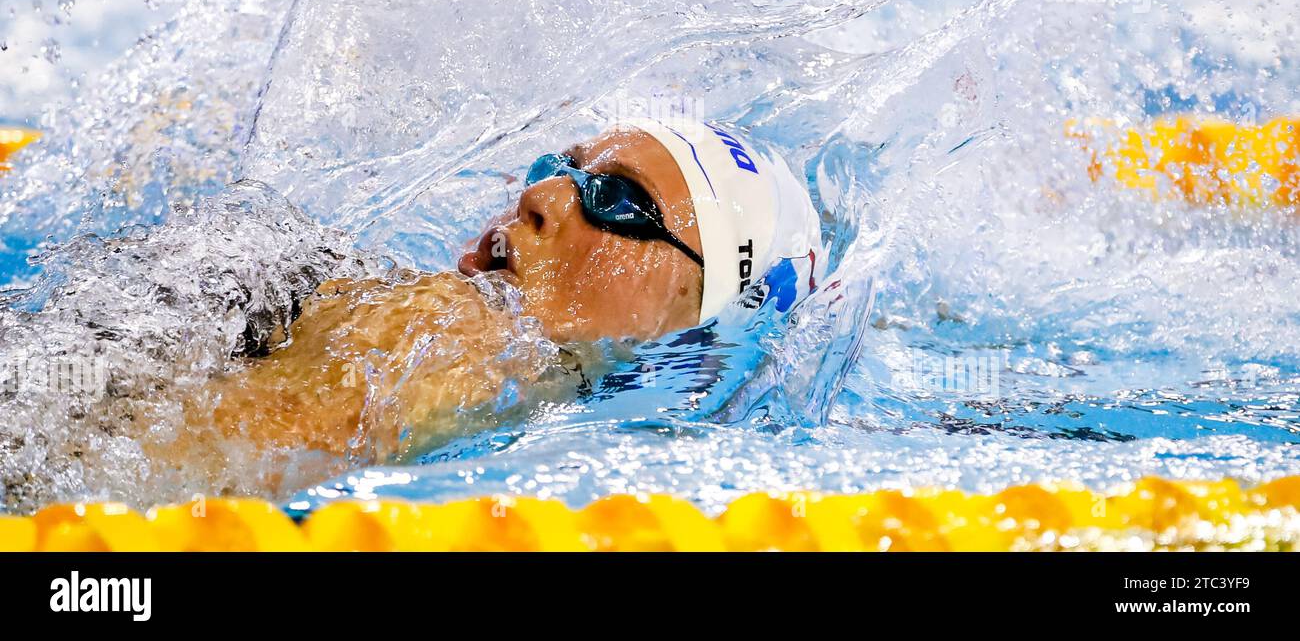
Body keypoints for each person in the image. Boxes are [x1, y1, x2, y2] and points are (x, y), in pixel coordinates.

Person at [151, 119, 822, 490]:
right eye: (562, 168)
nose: (543, 197)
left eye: (620, 202)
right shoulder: (444, 335)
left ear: (697, 313)